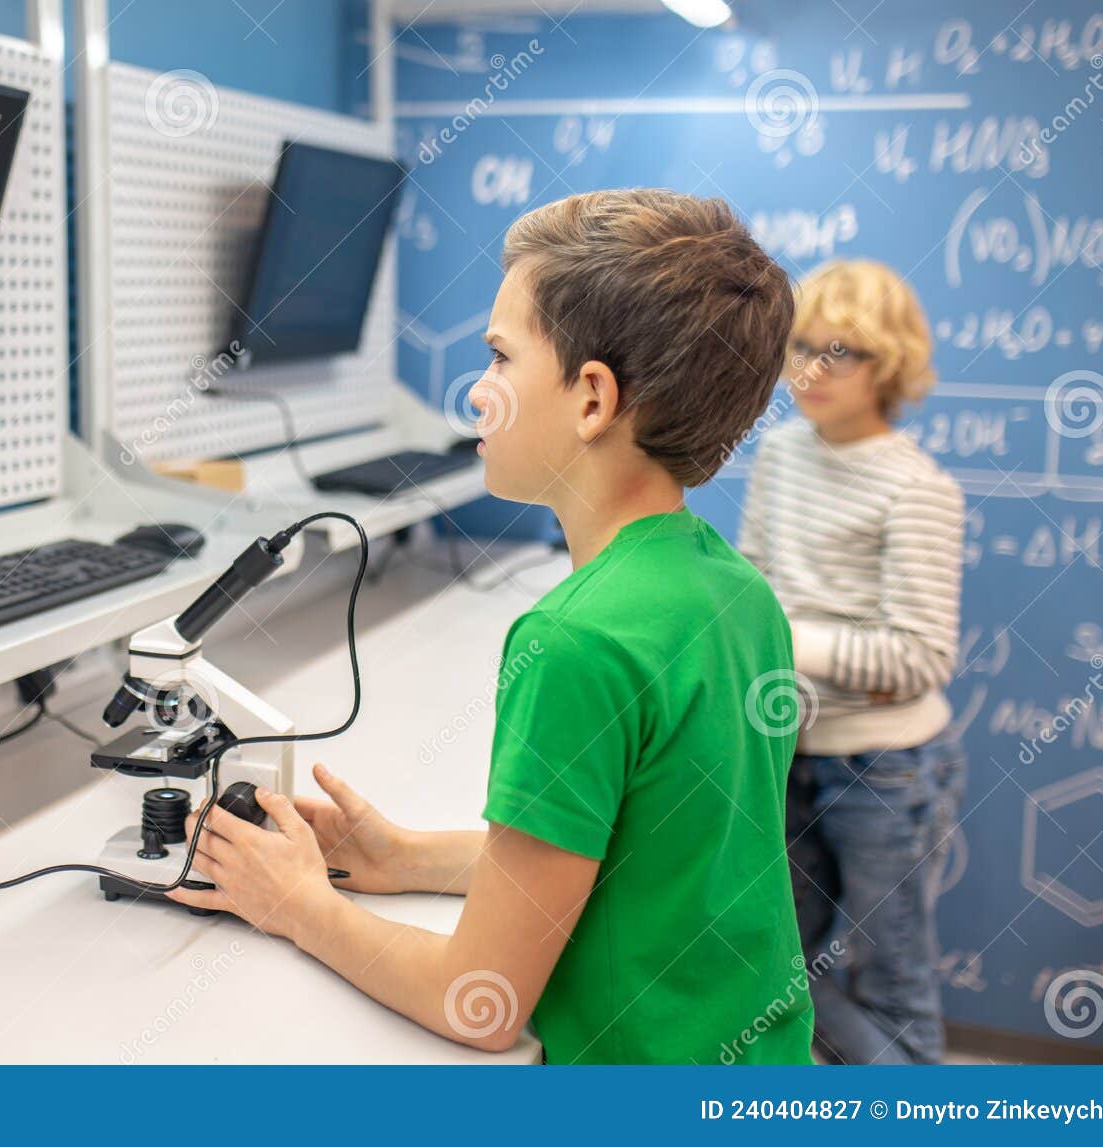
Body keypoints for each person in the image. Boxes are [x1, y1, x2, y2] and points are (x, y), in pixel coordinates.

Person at [169, 189, 814, 1064]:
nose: (477, 392)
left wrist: (299, 907)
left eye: (500, 358)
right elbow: (634, 864)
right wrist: (403, 856)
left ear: (592, 399)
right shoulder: (736, 591)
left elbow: (481, 1006)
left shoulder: (576, 641)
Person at [738, 259, 967, 1064]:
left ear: (891, 365)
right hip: (792, 750)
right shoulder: (782, 455)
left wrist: (783, 635)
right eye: (802, 345)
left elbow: (919, 656)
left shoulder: (917, 489)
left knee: (893, 985)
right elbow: (753, 578)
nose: (812, 369)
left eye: (844, 351)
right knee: (775, 968)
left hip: (887, 767)